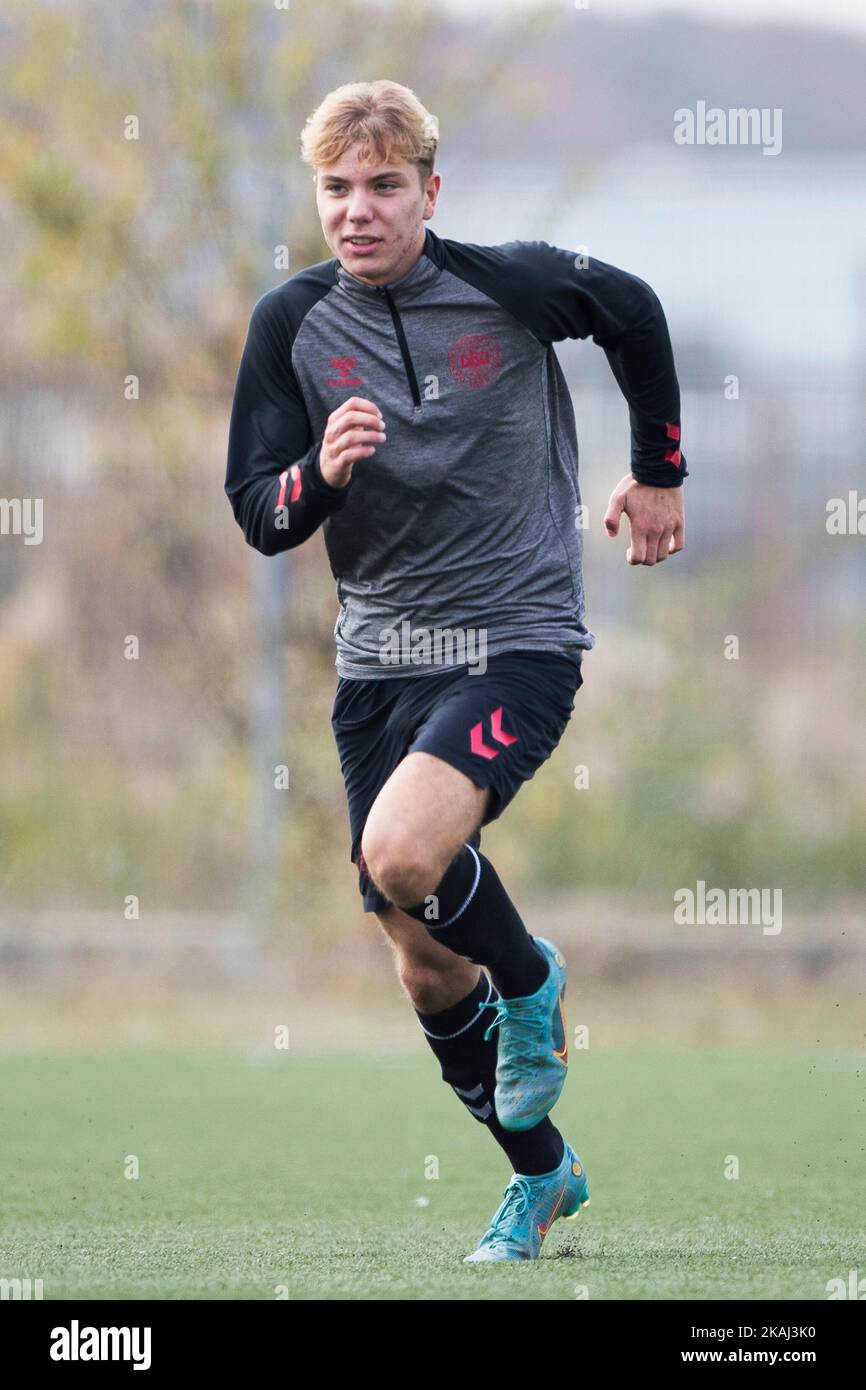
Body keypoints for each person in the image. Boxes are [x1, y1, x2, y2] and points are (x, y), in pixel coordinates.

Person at [225, 79, 687, 1262]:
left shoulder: (510, 283)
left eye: (384, 186)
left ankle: (531, 980)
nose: (357, 210)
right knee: (423, 962)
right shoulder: (290, 325)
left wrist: (657, 471)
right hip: (378, 666)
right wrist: (318, 476)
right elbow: (260, 513)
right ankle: (541, 1178)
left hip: (513, 640)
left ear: (430, 191)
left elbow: (631, 311)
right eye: (336, 188)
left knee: (403, 856)